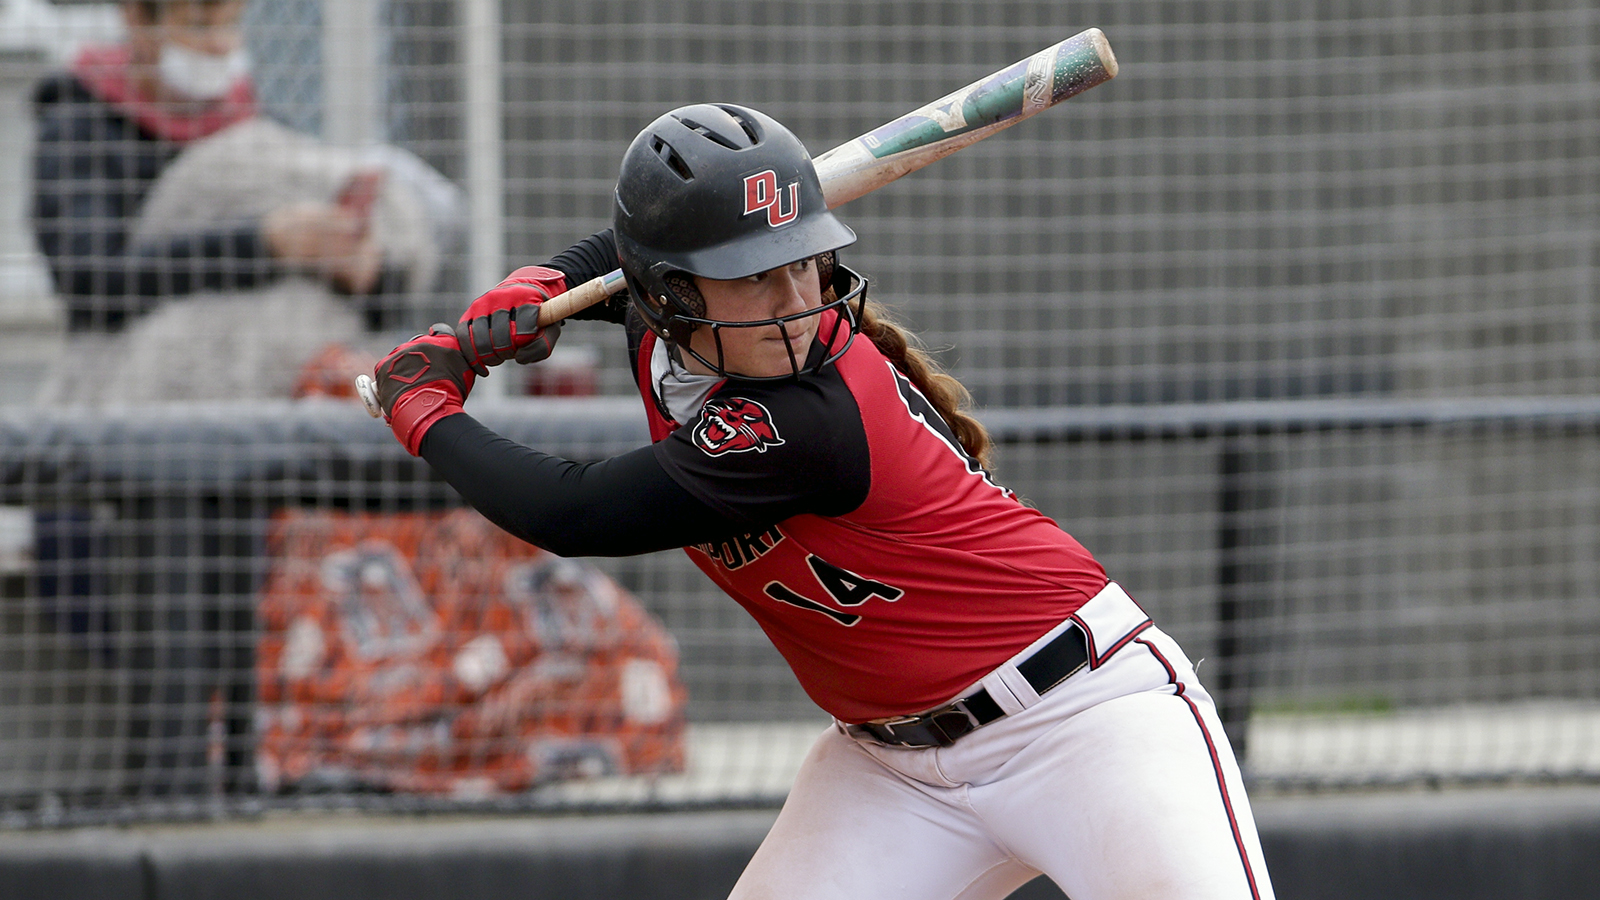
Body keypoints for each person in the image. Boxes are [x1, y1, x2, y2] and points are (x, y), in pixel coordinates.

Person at [370, 103, 1276, 900]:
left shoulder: (810, 416)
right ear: (668, 295)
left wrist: (426, 409)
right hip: (893, 771)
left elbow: (572, 515)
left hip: (1082, 721)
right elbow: (621, 250)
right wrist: (551, 279)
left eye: (803, 261)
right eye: (756, 272)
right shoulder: (678, 322)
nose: (795, 299)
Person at [31, 0, 388, 333]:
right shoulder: (80, 127)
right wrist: (263, 243)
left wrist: (364, 272)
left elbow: (381, 306)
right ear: (136, 18)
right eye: (199, 26)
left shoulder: (254, 122)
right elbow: (88, 282)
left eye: (231, 24)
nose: (221, 45)